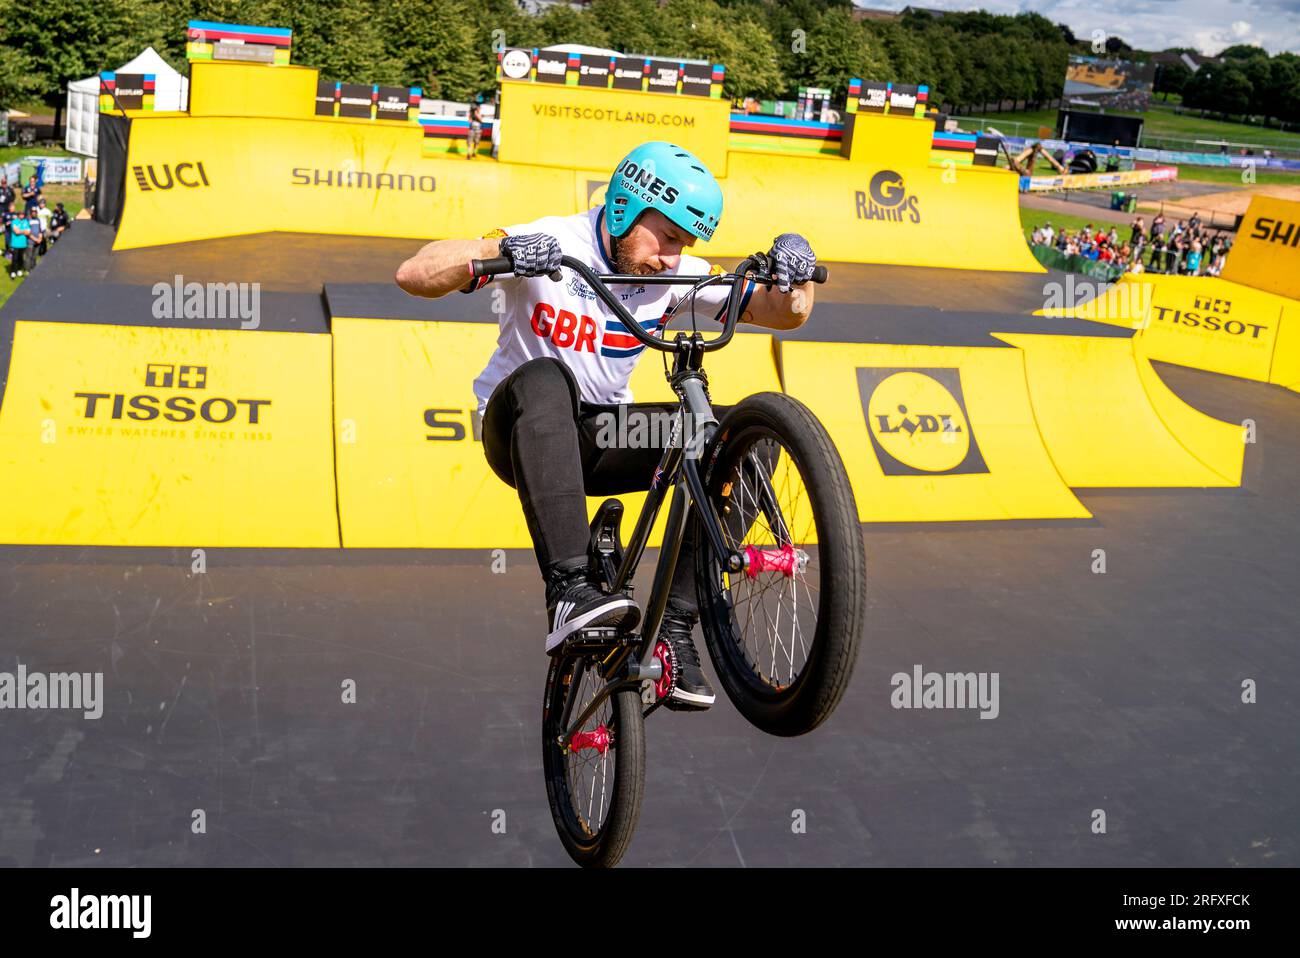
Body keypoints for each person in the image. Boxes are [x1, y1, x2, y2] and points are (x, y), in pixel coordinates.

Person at [394, 141, 820, 711]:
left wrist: (797, 276)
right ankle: (569, 589)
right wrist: (502, 248)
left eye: (685, 244)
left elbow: (782, 313)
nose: (672, 257)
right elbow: (413, 273)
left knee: (732, 438)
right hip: (520, 429)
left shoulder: (675, 277)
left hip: (601, 438)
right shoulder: (554, 241)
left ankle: (675, 626)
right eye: (666, 236)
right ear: (624, 207)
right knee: (546, 375)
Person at [8, 207, 30, 278]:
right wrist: (23, 231)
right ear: (18, 215)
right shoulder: (14, 221)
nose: (22, 216)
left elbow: (28, 232)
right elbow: (16, 232)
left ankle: (19, 270)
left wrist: (21, 231)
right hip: (15, 243)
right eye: (20, 214)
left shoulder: (26, 221)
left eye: (23, 214)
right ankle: (13, 271)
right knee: (14, 258)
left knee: (21, 258)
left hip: (23, 244)